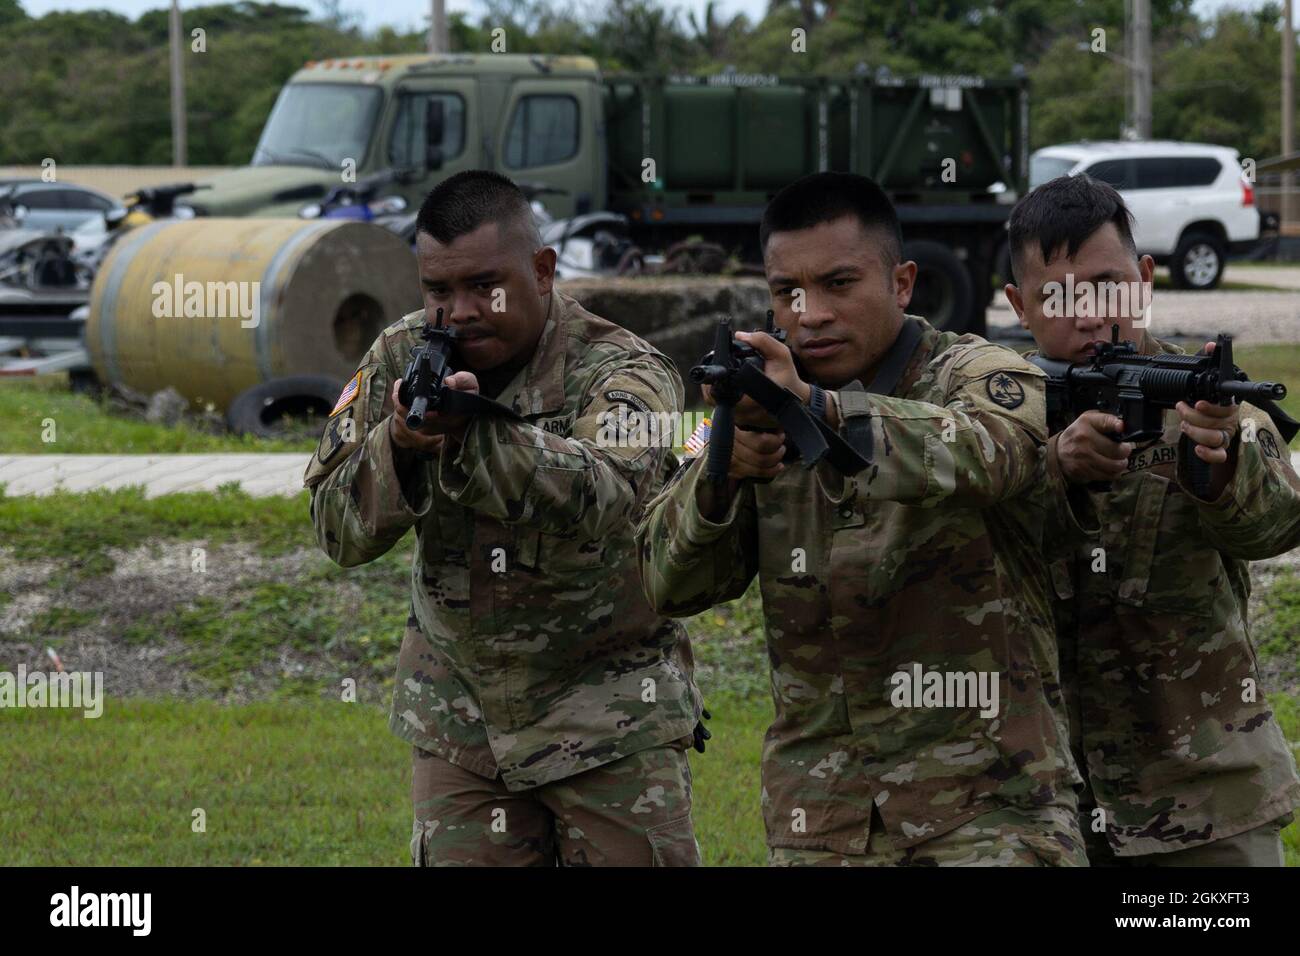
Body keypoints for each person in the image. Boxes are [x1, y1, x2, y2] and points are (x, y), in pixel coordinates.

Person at [637, 171, 1085, 866]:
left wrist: (818, 411)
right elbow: (671, 585)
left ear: (903, 283)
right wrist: (721, 474)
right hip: (823, 818)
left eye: (839, 284)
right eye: (788, 292)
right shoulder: (752, 412)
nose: (809, 313)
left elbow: (991, 453)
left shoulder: (985, 373)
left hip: (989, 808)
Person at [305, 170, 704, 866]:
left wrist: (474, 436)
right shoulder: (401, 358)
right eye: (438, 291)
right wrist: (398, 445)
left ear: (543, 271)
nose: (459, 312)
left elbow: (607, 493)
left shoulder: (624, 369)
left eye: (484, 285)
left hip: (610, 718)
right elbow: (335, 528)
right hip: (464, 726)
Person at [1004, 172, 1300, 866]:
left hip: (1204, 796)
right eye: (1059, 295)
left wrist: (1218, 462)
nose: (1090, 315)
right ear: (1019, 305)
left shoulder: (1206, 400)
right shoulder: (992, 412)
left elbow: (1274, 525)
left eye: (1109, 286)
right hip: (1035, 809)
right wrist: (1051, 470)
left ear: (1143, 278)